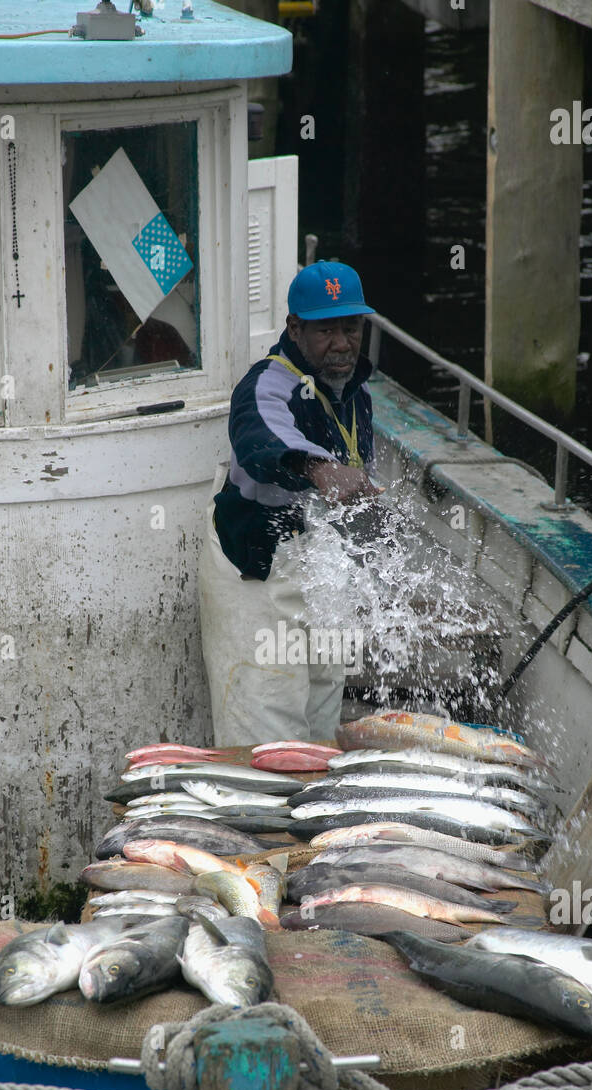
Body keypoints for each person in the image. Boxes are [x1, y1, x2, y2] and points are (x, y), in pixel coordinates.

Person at [198, 260, 381, 745]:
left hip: (319, 566)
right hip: (258, 567)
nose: (342, 342)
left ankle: (316, 818)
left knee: (322, 724)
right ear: (294, 329)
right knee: (268, 737)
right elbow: (261, 437)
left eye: (351, 327)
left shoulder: (356, 391)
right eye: (326, 330)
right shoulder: (265, 384)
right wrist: (320, 469)